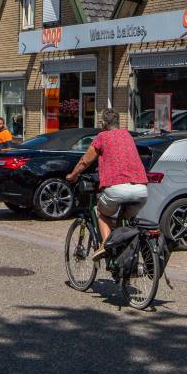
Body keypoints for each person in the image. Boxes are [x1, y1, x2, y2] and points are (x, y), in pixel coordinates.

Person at [65, 108, 148, 261]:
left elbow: (85, 161)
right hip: (141, 190)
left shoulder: (102, 137)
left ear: (102, 123)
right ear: (118, 123)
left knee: (102, 213)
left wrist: (72, 175)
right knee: (121, 222)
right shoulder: (127, 135)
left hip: (116, 189)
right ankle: (127, 261)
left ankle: (105, 245)